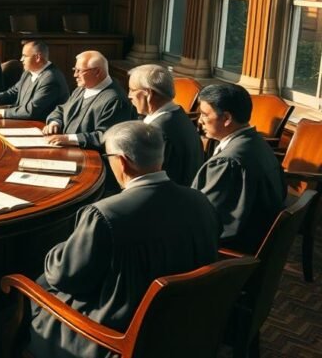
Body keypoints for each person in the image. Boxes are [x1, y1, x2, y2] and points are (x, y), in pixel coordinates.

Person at [26, 122, 220, 358]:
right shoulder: (200, 201)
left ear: (122, 161)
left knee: (32, 284)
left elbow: (66, 278)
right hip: (181, 326)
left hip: (115, 337)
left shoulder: (105, 215)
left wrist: (58, 248)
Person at [192, 83, 286, 253]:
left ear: (227, 118)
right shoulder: (258, 143)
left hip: (230, 253)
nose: (200, 120)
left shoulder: (228, 162)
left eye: (205, 114)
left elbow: (203, 217)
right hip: (255, 239)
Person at [127, 64, 202, 186]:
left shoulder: (156, 132)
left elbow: (150, 180)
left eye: (132, 90)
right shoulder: (178, 115)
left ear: (148, 94)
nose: (129, 96)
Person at [42, 50, 133, 151]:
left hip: (91, 156)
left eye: (79, 71)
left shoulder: (115, 100)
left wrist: (69, 139)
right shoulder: (82, 88)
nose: (75, 75)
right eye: (74, 70)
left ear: (97, 71)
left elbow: (106, 136)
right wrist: (55, 122)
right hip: (67, 147)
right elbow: (62, 109)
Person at [0, 41, 69, 122]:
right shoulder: (28, 72)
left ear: (38, 57)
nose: (21, 59)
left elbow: (32, 110)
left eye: (25, 56)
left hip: (40, 126)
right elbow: (14, 91)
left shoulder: (51, 79)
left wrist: (2, 113)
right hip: (22, 120)